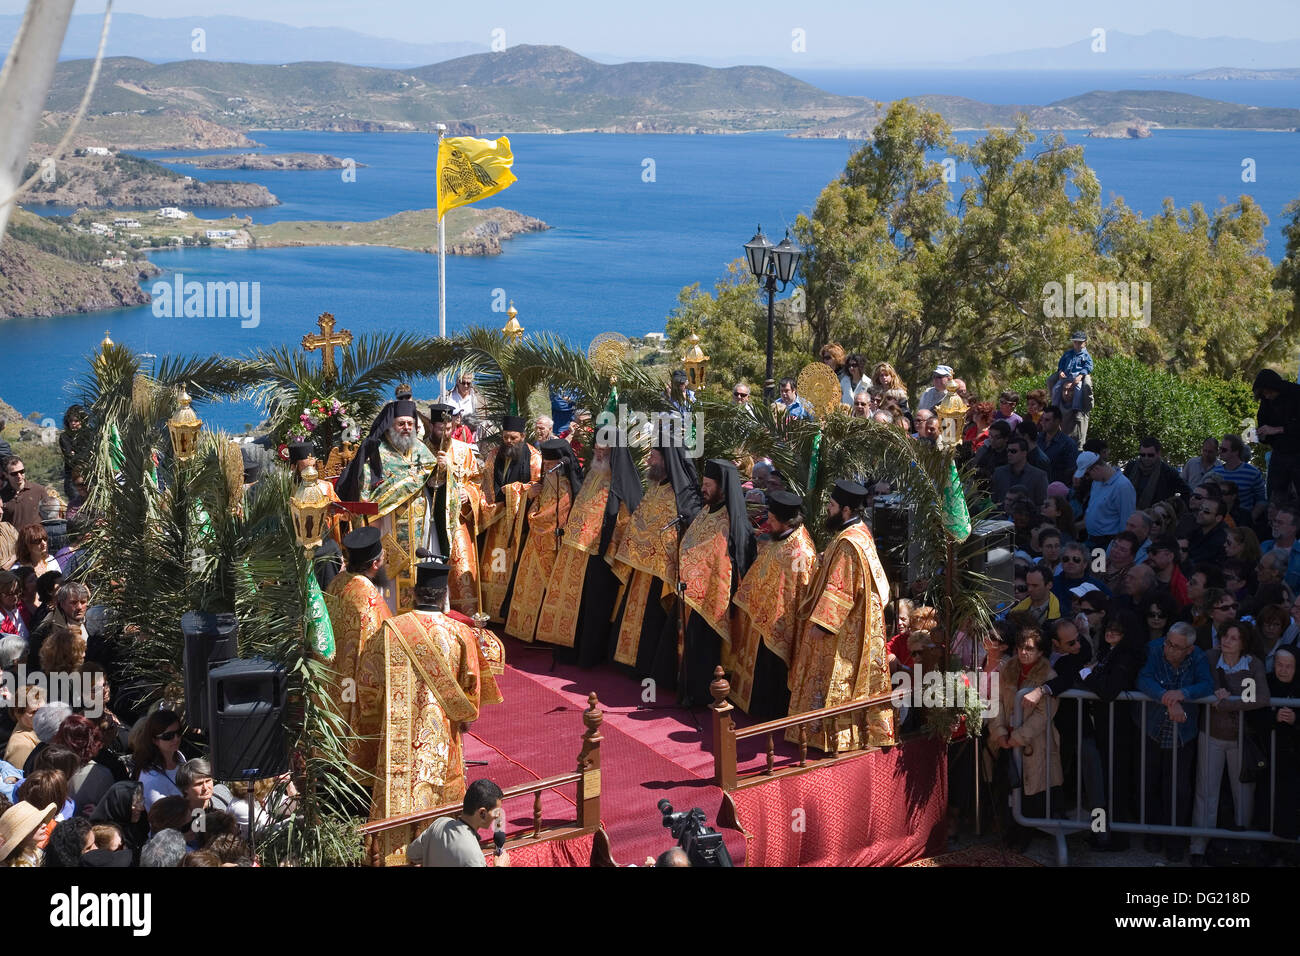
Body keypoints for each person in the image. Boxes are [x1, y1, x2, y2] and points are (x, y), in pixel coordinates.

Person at [357, 560, 504, 865]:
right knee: (440, 809)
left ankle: (393, 856)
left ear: (413, 593)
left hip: (397, 743)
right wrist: (462, 722)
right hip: (442, 747)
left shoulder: (391, 630)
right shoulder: (460, 634)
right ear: (443, 596)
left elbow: (367, 685)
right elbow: (471, 697)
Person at [785, 480, 895, 752]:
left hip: (841, 629)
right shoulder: (859, 531)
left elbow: (842, 590)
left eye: (832, 506)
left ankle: (828, 738)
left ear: (845, 509)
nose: (828, 510)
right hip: (858, 624)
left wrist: (822, 625)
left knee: (835, 679)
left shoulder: (847, 543)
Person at [533, 434, 642, 666]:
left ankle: (589, 657)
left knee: (595, 607)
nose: (599, 454)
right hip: (577, 551)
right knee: (575, 606)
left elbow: (626, 518)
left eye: (604, 450)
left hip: (601, 555)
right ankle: (569, 652)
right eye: (596, 449)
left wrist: (609, 546)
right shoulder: (594, 472)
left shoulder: (622, 480)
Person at [610, 441, 702, 684]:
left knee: (653, 618)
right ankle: (624, 661)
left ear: (667, 460)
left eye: (653, 457)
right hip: (640, 568)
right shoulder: (655, 487)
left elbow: (683, 534)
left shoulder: (683, 495)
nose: (649, 461)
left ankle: (645, 666)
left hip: (661, 572)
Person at [672, 459, 756, 708]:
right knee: (694, 645)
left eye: (708, 485)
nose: (703, 489)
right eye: (703, 484)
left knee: (708, 649)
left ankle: (708, 695)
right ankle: (691, 692)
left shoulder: (734, 523)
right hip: (696, 595)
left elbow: (739, 562)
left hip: (719, 600)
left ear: (722, 487)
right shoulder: (707, 512)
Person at [729, 491, 818, 719]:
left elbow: (800, 593)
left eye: (772, 519)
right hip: (762, 616)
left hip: (781, 624)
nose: (768, 522)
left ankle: (769, 717)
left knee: (772, 672)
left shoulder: (801, 551)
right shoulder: (780, 538)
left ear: (786, 521)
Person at [1188, 620, 1269, 866]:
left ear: (1244, 643)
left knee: (1243, 792)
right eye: (1225, 635)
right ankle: (1198, 846)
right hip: (1210, 734)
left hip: (1241, 738)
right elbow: (1201, 683)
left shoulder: (1252, 663)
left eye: (1234, 638)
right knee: (1205, 792)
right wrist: (1214, 692)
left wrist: (1226, 702)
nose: (1227, 641)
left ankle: (1242, 844)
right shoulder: (1211, 657)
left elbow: (1261, 698)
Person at [1137, 621, 1213, 862]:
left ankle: (1175, 840)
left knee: (1179, 789)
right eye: (1169, 643)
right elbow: (1143, 679)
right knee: (1150, 783)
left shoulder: (1198, 657)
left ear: (1188, 649)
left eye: (1176, 646)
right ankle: (1152, 834)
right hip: (1153, 726)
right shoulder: (1154, 649)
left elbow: (1206, 684)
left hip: (1183, 732)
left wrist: (1183, 694)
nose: (1169, 649)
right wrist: (1167, 698)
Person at [987, 623, 1062, 851]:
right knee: (1005, 787)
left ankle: (1024, 835)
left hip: (1033, 743)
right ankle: (1007, 832)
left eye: (1029, 648)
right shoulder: (1007, 668)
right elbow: (995, 702)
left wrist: (1018, 737)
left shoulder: (1048, 676)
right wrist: (999, 732)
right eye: (1021, 647)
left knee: (1030, 791)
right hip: (1005, 740)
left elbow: (1044, 714)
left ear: (1040, 652)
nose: (1024, 652)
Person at [323, 526, 392, 777]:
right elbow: (380, 644)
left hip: (332, 674)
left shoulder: (336, 582)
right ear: (375, 564)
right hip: (354, 682)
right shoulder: (369, 596)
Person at [506, 439, 584, 643]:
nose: (548, 468)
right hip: (534, 544)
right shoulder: (543, 483)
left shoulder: (566, 486)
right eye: (546, 465)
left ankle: (543, 634)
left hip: (554, 545)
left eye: (552, 465)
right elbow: (535, 504)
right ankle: (523, 629)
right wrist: (528, 498)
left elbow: (556, 515)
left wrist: (533, 517)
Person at [479, 415, 542, 623]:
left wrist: (513, 491)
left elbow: (536, 488)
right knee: (494, 566)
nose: (508, 441)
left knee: (510, 567)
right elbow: (486, 483)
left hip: (518, 524)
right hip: (495, 521)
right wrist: (492, 505)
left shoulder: (534, 457)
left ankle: (508, 614)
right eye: (505, 437)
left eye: (513, 438)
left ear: (522, 436)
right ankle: (491, 612)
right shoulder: (494, 454)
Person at [406, 778, 509, 868]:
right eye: (496, 811)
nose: (497, 816)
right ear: (482, 813)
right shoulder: (473, 856)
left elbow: (412, 854)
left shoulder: (440, 823)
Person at [1255, 369, 1300, 504]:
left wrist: (1278, 430)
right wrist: (1262, 435)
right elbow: (1263, 422)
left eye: (1268, 392)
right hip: (1279, 453)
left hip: (1298, 451)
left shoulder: (1296, 394)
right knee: (1275, 495)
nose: (1267, 396)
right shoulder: (1266, 402)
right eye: (1264, 394)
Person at [1077, 451, 1135, 550]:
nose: (1087, 478)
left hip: (1108, 543)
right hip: (1091, 539)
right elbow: (1091, 510)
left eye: (1087, 475)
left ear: (1096, 469)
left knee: (1098, 566)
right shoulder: (1096, 483)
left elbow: (1126, 521)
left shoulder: (1123, 486)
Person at [131, 709, 185, 810]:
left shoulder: (179, 756)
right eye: (168, 736)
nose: (176, 739)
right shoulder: (151, 780)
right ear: (155, 740)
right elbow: (163, 818)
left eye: (179, 732)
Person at [1211, 434, 1267, 526]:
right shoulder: (1215, 472)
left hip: (1243, 522)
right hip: (1218, 522)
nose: (1220, 452)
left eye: (1224, 450)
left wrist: (1250, 518)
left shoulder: (1252, 473)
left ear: (1235, 452)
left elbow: (1261, 500)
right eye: (1219, 449)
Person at [1123, 437, 1190, 511]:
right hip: (1128, 512)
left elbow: (1187, 493)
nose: (1146, 458)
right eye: (1142, 455)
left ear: (1158, 454)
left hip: (1154, 517)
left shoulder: (1168, 472)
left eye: (1150, 455)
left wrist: (1171, 508)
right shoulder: (1131, 466)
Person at [0, 800, 57, 867]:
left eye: (42, 821)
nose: (44, 825)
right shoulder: (16, 864)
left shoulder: (36, 852)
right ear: (23, 834)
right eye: (37, 825)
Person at [1, 459, 48, 533]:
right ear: (6, 475)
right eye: (14, 474)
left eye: (22, 471)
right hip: (12, 541)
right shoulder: (2, 495)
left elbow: (49, 517)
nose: (19, 476)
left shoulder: (39, 490)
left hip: (36, 540)